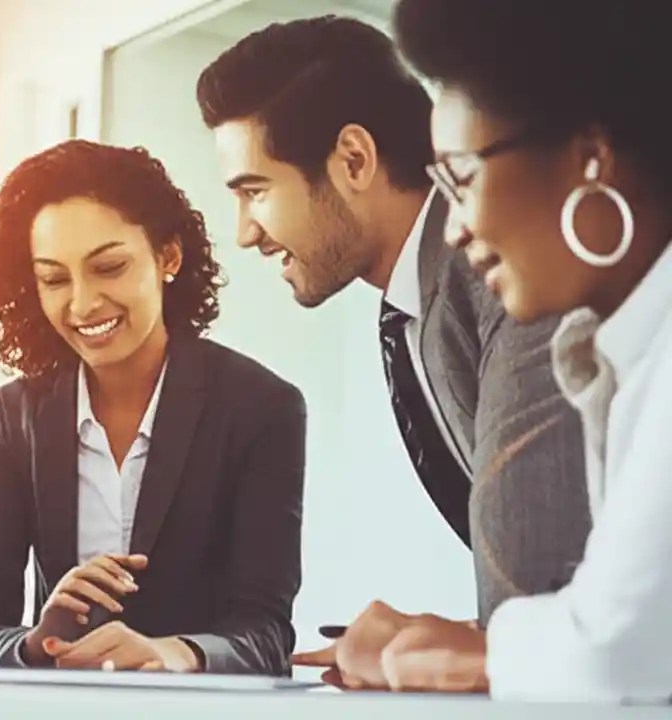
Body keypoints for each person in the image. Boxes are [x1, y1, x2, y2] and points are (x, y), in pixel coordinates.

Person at [195, 15, 591, 682]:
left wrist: (467, 652)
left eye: (254, 192)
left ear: (354, 160)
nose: (244, 233)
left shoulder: (506, 276)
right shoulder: (415, 304)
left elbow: (542, 583)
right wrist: (442, 644)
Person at [321, 0, 672, 701]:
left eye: (461, 176)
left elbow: (618, 651)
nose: (454, 229)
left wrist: (479, 654)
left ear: (591, 159)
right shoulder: (626, 353)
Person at [0, 140, 305, 674]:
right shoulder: (11, 419)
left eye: (110, 267)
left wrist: (175, 653)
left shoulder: (260, 408)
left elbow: (266, 636)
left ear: (169, 257)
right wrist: (37, 642)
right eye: (54, 279)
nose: (82, 303)